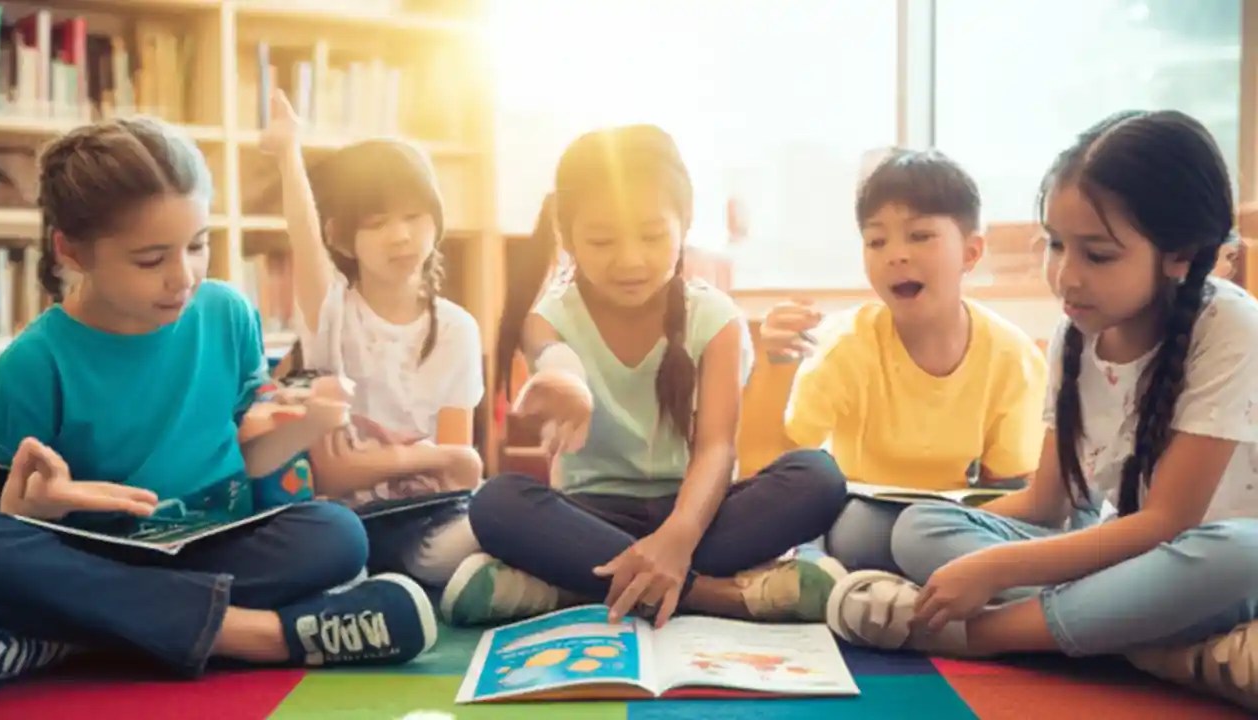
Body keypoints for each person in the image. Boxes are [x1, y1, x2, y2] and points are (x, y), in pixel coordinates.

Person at [825, 111, 1258, 713]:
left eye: (1098, 255)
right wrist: (980, 556)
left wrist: (998, 572)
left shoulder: (1230, 325)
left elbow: (1168, 525)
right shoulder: (1075, 333)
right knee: (915, 528)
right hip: (1126, 559)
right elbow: (1047, 503)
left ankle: (986, 635)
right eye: (1056, 244)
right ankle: (1130, 636)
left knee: (1246, 552)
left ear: (1179, 255)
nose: (1065, 276)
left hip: (1206, 559)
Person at [0, 117, 435, 686]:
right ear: (72, 251)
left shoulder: (226, 312)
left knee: (337, 535)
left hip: (213, 549)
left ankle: (73, 631)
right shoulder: (29, 366)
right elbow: (7, 518)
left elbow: (253, 448)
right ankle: (262, 636)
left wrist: (304, 420)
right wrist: (37, 508)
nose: (184, 277)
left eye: (198, 246)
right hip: (100, 556)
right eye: (150, 260)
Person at [442, 124, 847, 628]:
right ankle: (720, 595)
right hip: (591, 514)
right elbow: (554, 357)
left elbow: (717, 448)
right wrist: (566, 383)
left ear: (685, 223)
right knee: (495, 503)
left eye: (652, 236)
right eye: (602, 240)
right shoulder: (550, 316)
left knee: (819, 477)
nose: (630, 260)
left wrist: (677, 538)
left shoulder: (714, 319)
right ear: (567, 238)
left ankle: (566, 588)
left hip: (698, 514)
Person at [762, 148, 1047, 573]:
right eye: (876, 241)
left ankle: (935, 592)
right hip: (862, 514)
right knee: (859, 534)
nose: (895, 254)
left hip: (955, 520)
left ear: (971, 252)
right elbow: (783, 461)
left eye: (919, 236)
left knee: (926, 536)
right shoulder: (846, 345)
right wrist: (774, 366)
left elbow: (1007, 486)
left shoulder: (1011, 355)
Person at [259, 90, 483, 587]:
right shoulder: (333, 313)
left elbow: (461, 469)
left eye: (413, 217)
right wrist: (288, 152)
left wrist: (371, 463)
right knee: (329, 548)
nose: (401, 236)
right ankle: (375, 587)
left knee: (478, 533)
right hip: (344, 520)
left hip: (432, 518)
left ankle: (458, 587)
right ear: (342, 239)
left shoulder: (457, 329)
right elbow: (331, 477)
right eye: (377, 223)